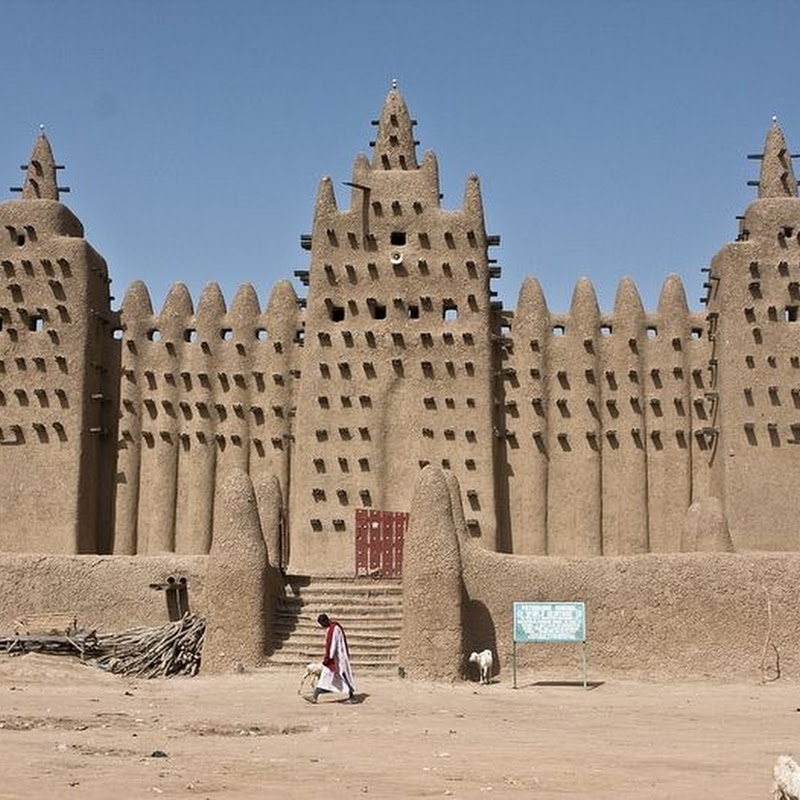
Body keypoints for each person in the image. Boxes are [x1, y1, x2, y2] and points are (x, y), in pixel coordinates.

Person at [312, 613, 356, 703]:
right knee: (326, 677)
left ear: (325, 621)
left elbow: (333, 645)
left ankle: (351, 696)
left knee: (342, 675)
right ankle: (315, 695)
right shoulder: (331, 628)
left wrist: (329, 658)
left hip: (338, 658)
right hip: (335, 657)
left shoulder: (334, 629)